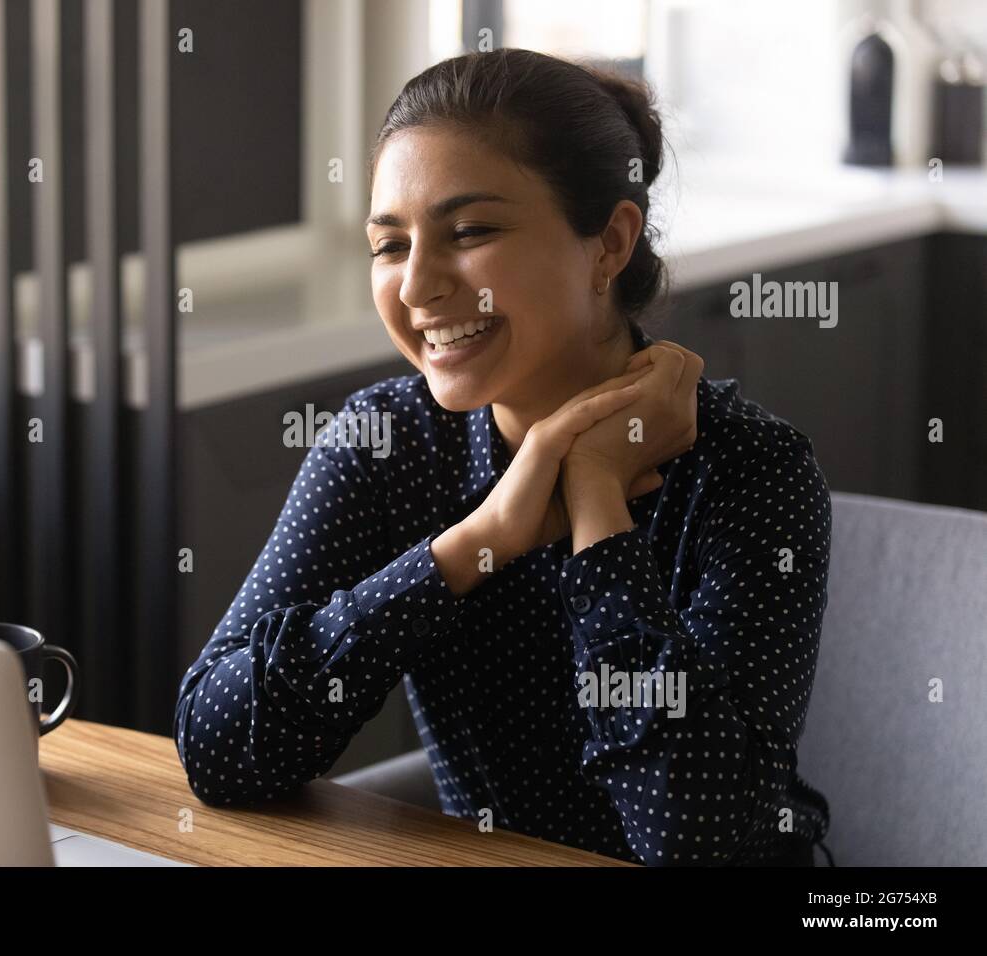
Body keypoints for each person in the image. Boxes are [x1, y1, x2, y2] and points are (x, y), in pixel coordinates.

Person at [174, 48, 832, 866]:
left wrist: (596, 503)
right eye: (389, 245)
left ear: (608, 243)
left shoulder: (750, 469)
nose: (416, 287)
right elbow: (215, 746)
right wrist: (474, 542)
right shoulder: (386, 445)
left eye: (471, 232)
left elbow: (694, 839)